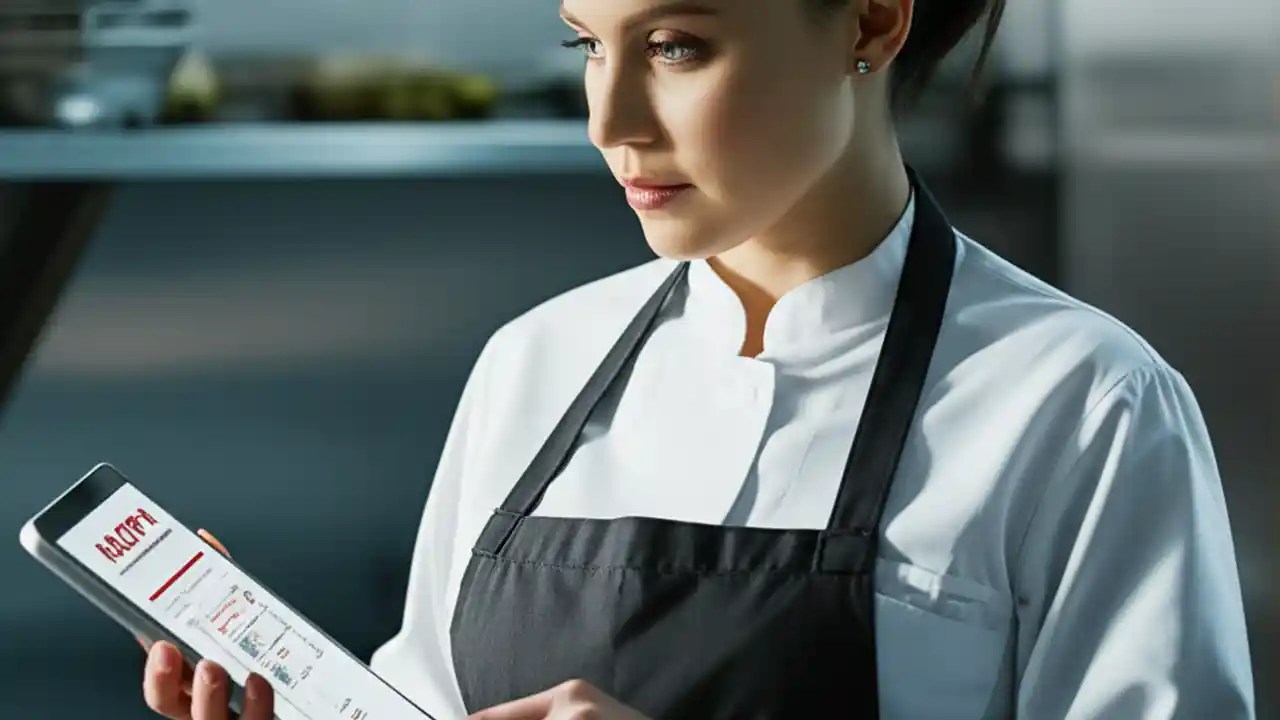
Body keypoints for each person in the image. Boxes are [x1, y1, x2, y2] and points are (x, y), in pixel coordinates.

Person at [140, 0, 1257, 717]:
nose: (609, 118)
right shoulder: (534, 362)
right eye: (587, 44)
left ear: (869, 21)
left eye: (675, 45)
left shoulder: (1081, 403)